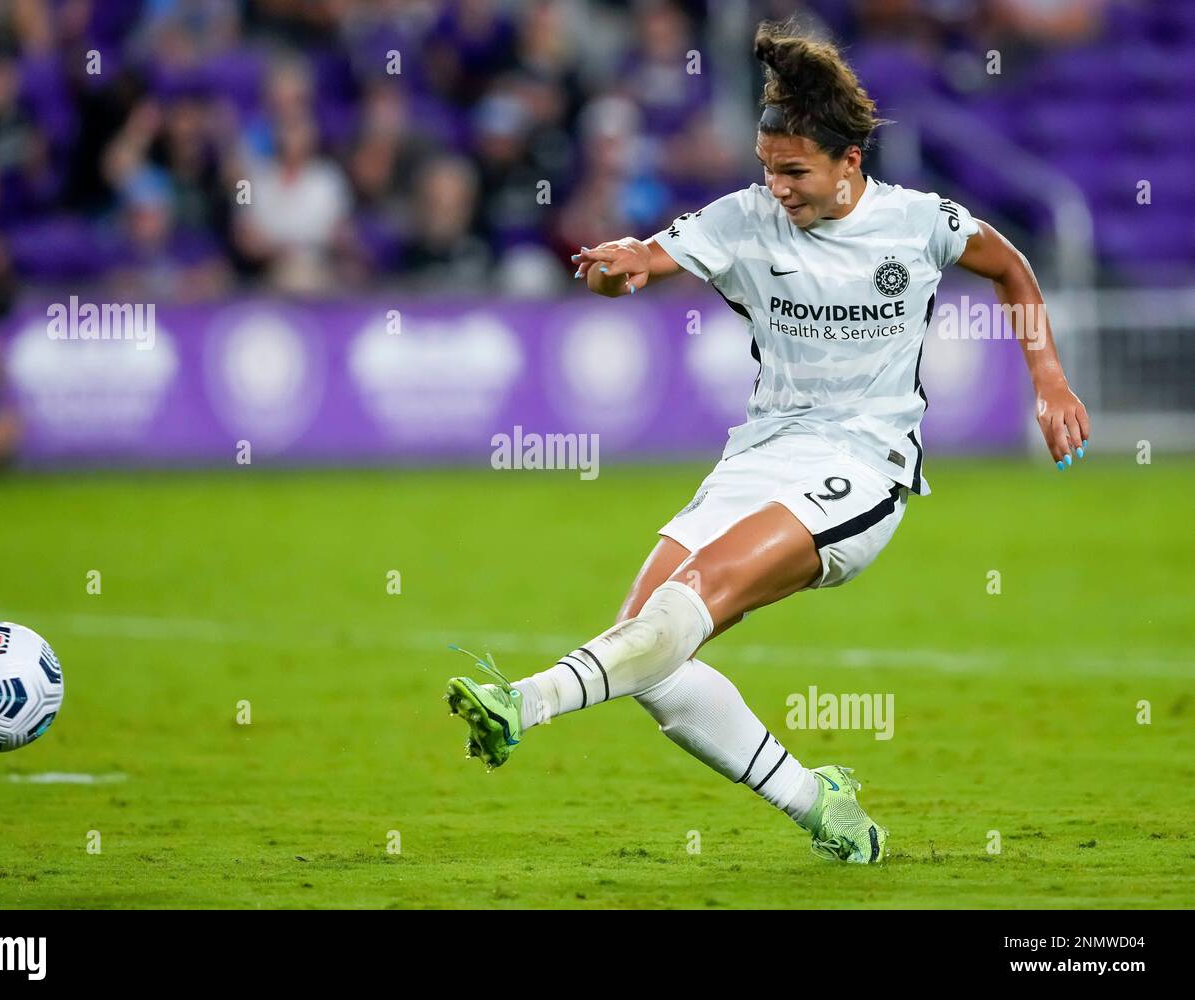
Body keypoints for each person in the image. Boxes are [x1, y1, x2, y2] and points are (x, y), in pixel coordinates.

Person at [444, 22, 1090, 865]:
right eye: (766, 170)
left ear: (850, 163)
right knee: (646, 646)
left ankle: (520, 703)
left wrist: (1049, 379)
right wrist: (615, 268)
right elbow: (642, 257)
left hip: (863, 469)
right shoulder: (745, 220)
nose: (777, 189)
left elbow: (1011, 268)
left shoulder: (920, 223)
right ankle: (817, 803)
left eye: (795, 172)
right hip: (763, 451)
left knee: (686, 607)